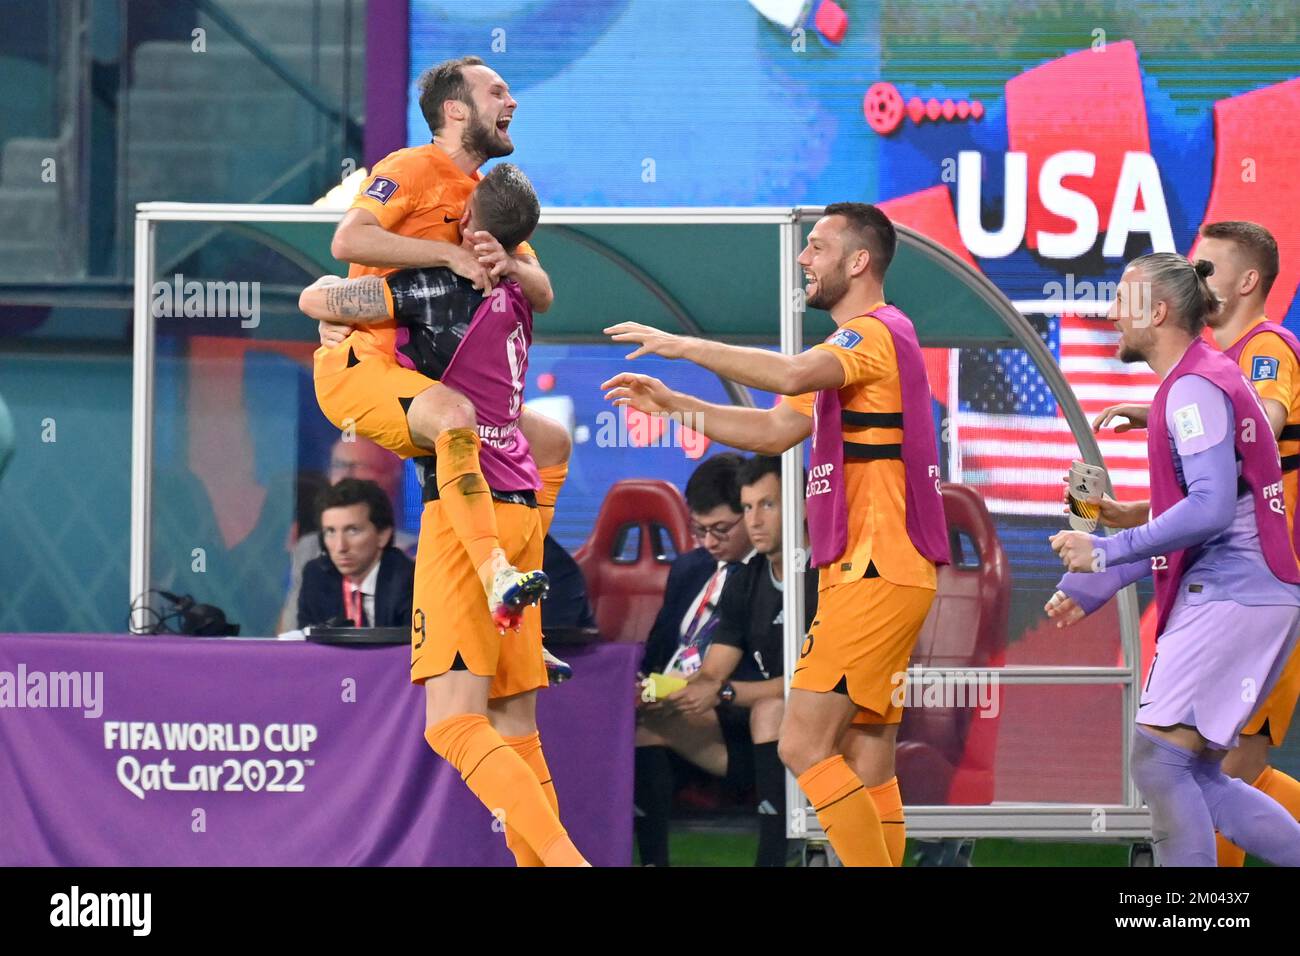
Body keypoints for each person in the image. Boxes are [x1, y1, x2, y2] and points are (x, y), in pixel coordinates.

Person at [605, 202, 948, 866]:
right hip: (881, 571)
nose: (802, 259)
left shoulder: (872, 335)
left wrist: (682, 346)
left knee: (800, 744)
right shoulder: (846, 360)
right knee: (866, 757)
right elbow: (770, 430)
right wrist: (674, 402)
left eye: (817, 248)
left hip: (875, 571)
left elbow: (791, 375)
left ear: (858, 261)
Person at [320, 157, 584, 866]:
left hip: (469, 515)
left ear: (467, 220)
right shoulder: (522, 294)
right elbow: (542, 296)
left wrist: (332, 308)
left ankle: (568, 863)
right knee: (515, 725)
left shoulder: (437, 285)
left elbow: (326, 299)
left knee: (453, 725)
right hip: (526, 506)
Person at [1046, 252, 1300, 866]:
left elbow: (1209, 511)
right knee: (1198, 773)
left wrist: (1106, 552)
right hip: (1252, 594)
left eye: (1124, 302)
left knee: (1159, 761)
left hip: (1234, 597)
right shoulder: (1197, 378)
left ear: (1157, 312)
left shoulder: (1191, 389)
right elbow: (1193, 520)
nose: (1110, 314)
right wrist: (1094, 583)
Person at [311, 55, 566, 627]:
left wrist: (511, 264)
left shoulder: (483, 196)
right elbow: (349, 239)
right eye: (497, 92)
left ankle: (524, 601)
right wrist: (448, 253)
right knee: (457, 414)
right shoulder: (410, 166)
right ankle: (496, 573)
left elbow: (543, 292)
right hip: (363, 369)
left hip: (428, 383)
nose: (513, 102)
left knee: (548, 444)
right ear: (456, 110)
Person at [636, 456, 817, 867]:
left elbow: (813, 681)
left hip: (815, 720)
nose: (756, 520)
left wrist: (723, 691)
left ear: (801, 505)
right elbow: (714, 669)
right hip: (740, 721)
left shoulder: (828, 573)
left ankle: (775, 859)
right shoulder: (744, 578)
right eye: (750, 507)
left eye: (766, 506)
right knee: (645, 721)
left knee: (771, 709)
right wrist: (674, 690)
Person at [639, 453, 753, 682]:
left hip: (719, 699)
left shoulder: (770, 575)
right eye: (700, 530)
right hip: (662, 692)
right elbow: (657, 649)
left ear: (751, 513)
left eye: (721, 529)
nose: (709, 542)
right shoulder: (688, 567)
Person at [298, 479, 414, 629]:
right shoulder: (316, 576)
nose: (341, 546)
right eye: (330, 531)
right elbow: (305, 644)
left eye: (353, 530)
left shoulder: (407, 580)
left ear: (383, 535)